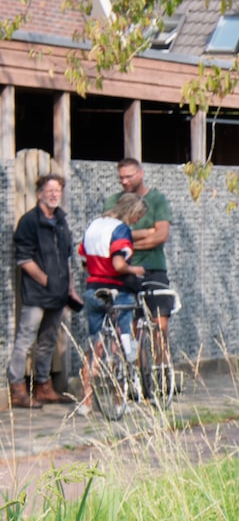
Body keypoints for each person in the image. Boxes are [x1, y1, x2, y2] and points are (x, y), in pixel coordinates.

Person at [8, 173, 78, 409]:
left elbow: (67, 258)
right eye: (50, 191)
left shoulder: (61, 220)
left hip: (59, 294)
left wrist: (70, 288)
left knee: (48, 341)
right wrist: (47, 281)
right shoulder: (29, 221)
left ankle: (44, 387)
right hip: (36, 294)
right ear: (39, 194)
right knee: (25, 340)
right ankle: (17, 389)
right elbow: (24, 259)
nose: (54, 194)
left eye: (57, 190)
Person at [74, 195, 147, 418]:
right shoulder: (121, 230)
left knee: (94, 345)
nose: (136, 221)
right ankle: (118, 401)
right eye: (137, 216)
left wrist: (98, 271)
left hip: (93, 289)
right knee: (120, 346)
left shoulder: (94, 226)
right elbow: (119, 264)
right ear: (132, 212)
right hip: (117, 291)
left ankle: (86, 402)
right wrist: (135, 270)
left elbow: (84, 261)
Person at [111, 158, 173, 332]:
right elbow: (110, 235)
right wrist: (147, 232)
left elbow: (161, 235)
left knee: (160, 323)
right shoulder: (114, 201)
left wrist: (125, 245)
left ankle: (159, 352)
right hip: (123, 269)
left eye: (129, 177)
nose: (124, 181)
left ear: (141, 174)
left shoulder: (157, 199)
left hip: (153, 268)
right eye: (121, 177)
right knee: (129, 325)